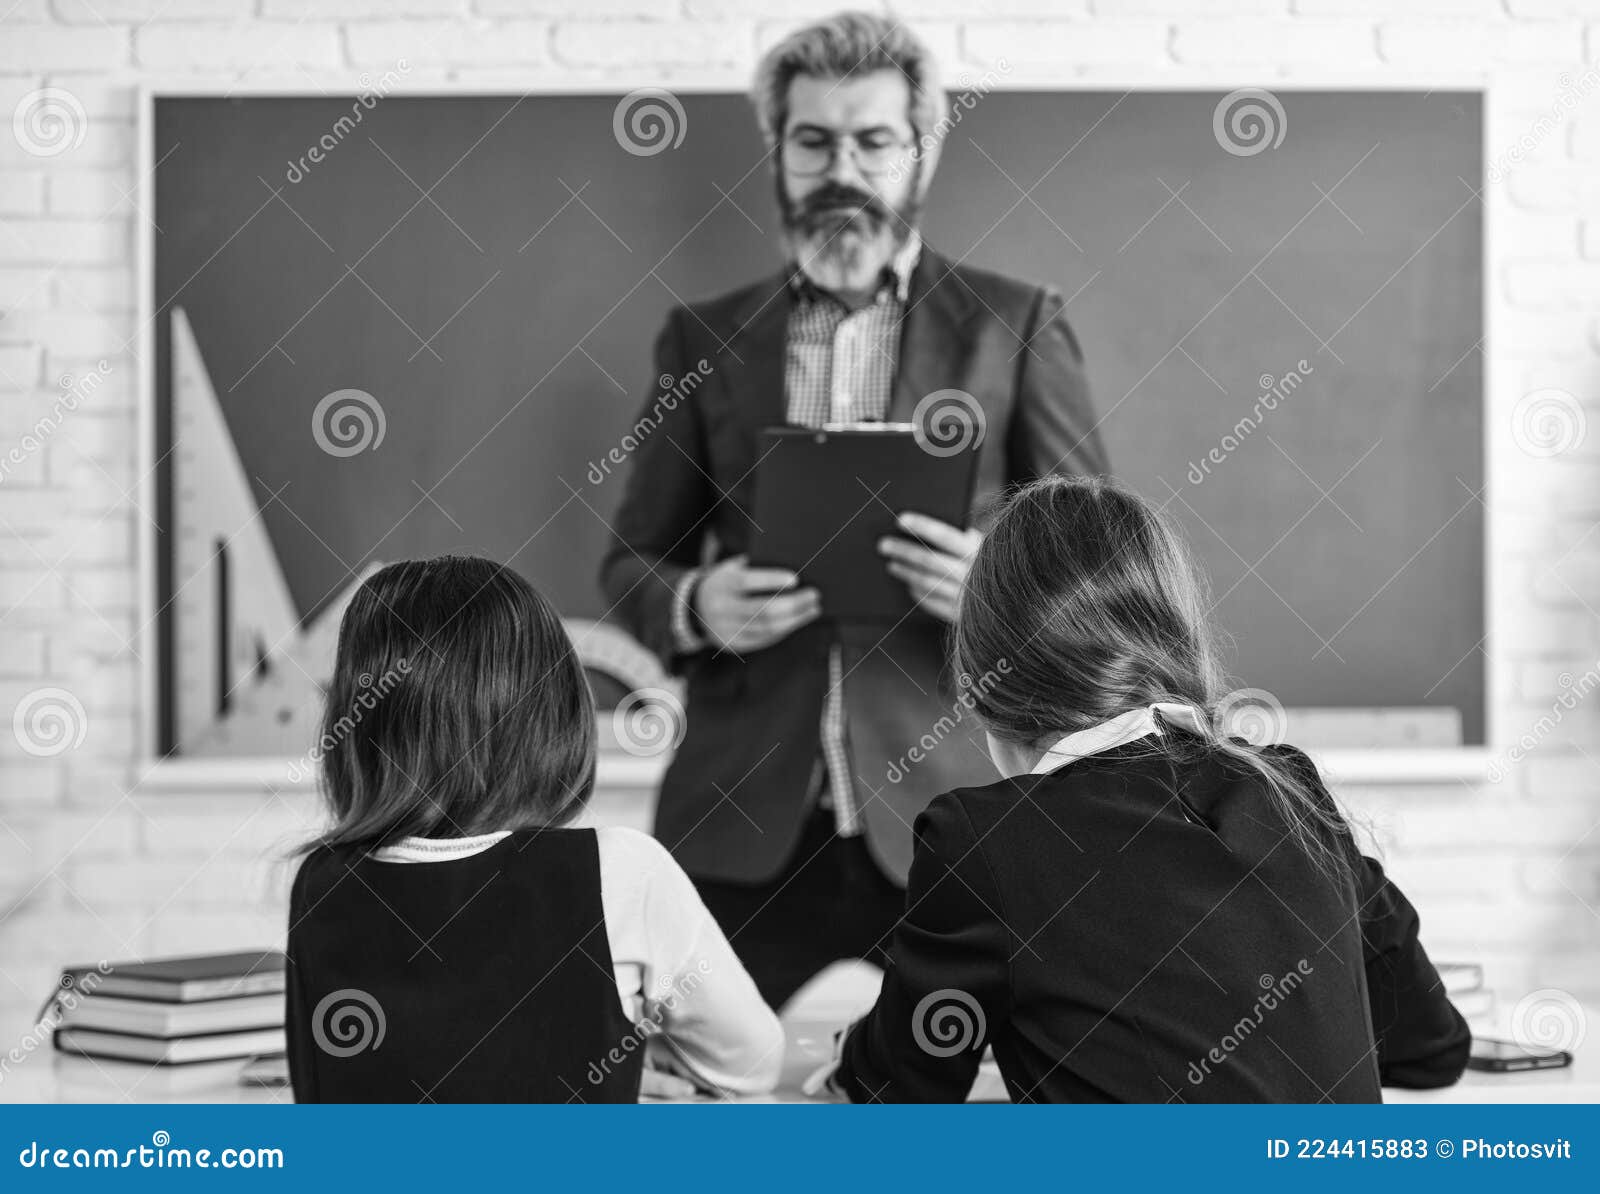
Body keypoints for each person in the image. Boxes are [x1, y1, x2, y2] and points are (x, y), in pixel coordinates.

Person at [600, 11, 1107, 1009]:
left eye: (873, 140)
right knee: (696, 1125)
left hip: (955, 818)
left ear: (920, 149)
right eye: (813, 140)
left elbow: (1097, 571)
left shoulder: (1016, 324)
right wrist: (700, 606)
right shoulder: (700, 337)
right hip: (736, 824)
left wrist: (995, 589)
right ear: (778, 152)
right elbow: (629, 565)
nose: (843, 167)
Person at [821, 476, 1470, 1102]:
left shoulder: (982, 841)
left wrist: (848, 1058)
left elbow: (896, 1088)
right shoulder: (1289, 788)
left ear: (978, 677)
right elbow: (1431, 1046)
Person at [285, 556, 783, 1103]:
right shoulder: (623, 870)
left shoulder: (319, 883)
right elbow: (751, 1063)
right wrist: (624, 1058)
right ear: (557, 709)